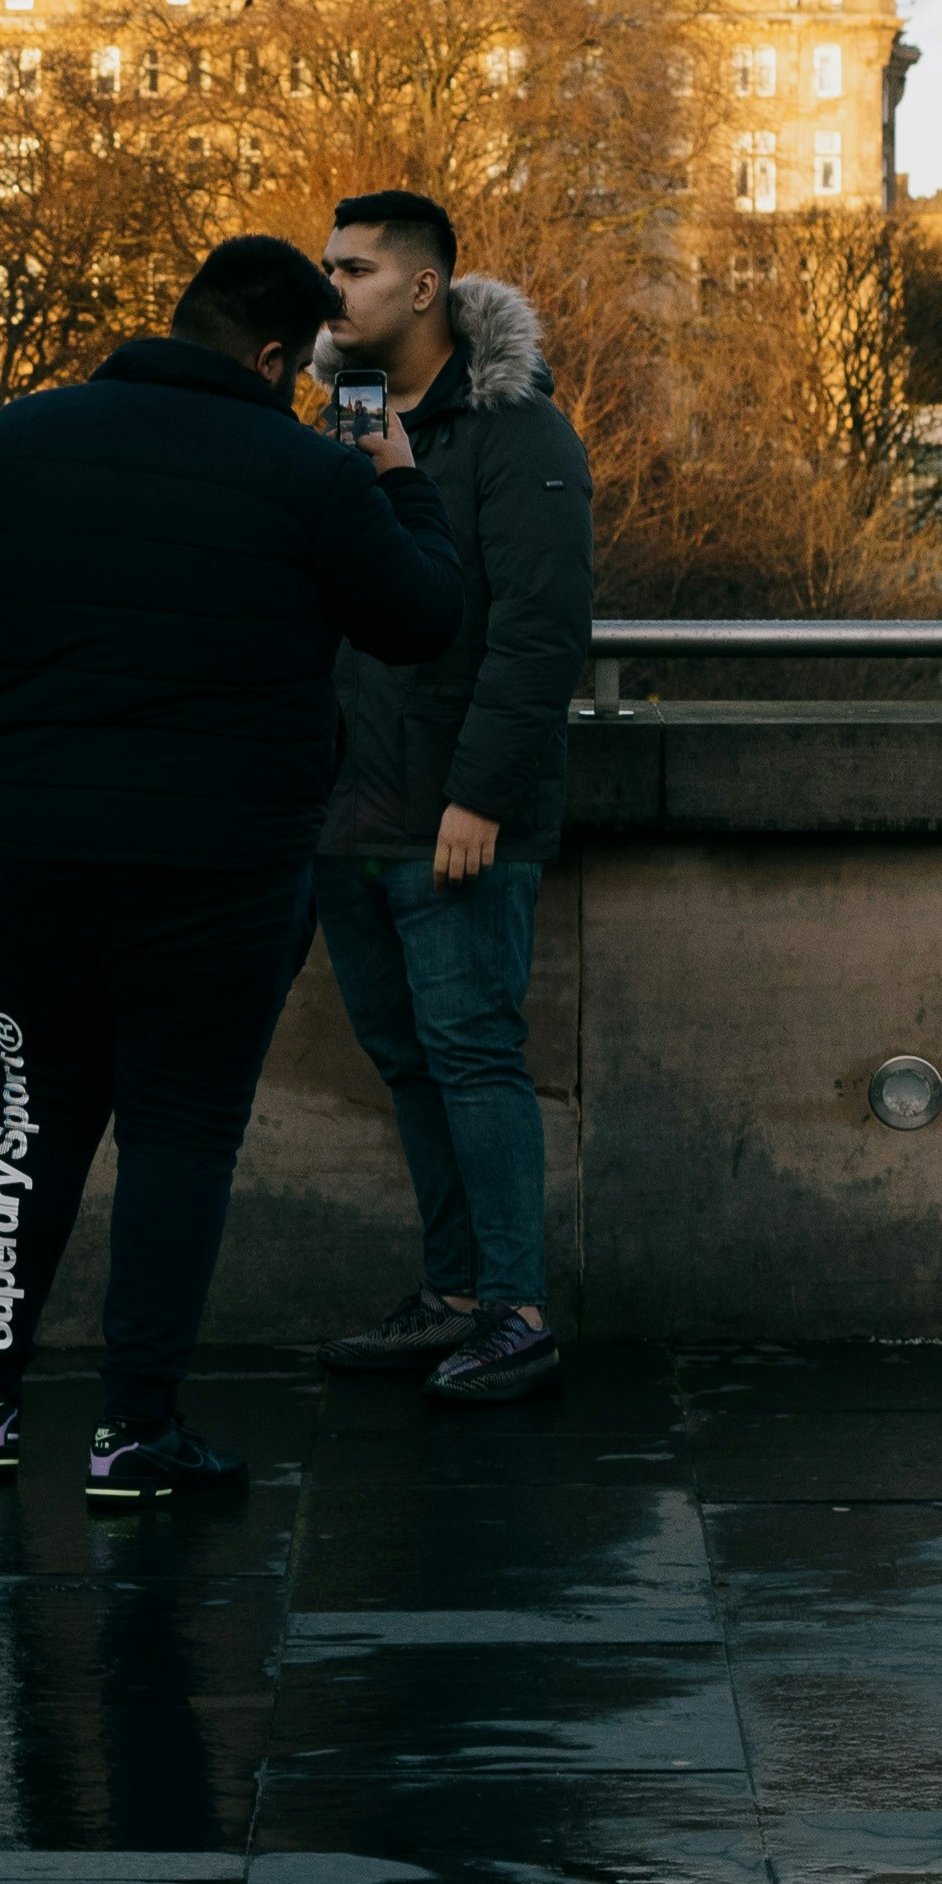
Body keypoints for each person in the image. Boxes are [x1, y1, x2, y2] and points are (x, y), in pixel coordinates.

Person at [0, 230, 463, 1499]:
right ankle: (129, 1432)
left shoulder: (22, 439)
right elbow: (422, 615)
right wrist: (395, 472)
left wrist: (9, 743)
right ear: (270, 354)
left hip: (42, 847)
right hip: (222, 864)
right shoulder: (304, 474)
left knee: (29, 1122)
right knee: (178, 1139)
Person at [311, 189, 598, 1406]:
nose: (331, 292)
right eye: (326, 268)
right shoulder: (344, 424)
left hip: (456, 817)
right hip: (347, 813)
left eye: (356, 270)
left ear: (422, 291)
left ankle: (516, 1310)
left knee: (473, 1055)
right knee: (407, 1061)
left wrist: (477, 797)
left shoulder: (515, 434)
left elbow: (538, 637)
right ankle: (455, 1296)